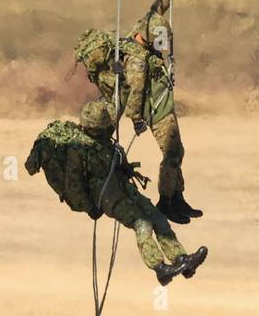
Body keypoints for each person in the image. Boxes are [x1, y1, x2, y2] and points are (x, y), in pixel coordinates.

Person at [24, 99, 207, 285]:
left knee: (158, 217)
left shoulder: (105, 141)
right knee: (142, 223)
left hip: (123, 187)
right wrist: (88, 208)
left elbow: (119, 103)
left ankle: (180, 259)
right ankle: (160, 268)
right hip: (105, 195)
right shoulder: (79, 149)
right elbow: (74, 184)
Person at [73, 0, 200, 226]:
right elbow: (136, 93)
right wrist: (137, 119)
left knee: (178, 152)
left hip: (164, 105)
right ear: (149, 38)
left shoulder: (140, 30)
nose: (159, 49)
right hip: (157, 111)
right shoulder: (137, 62)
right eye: (157, 44)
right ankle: (167, 201)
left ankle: (178, 197)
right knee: (171, 155)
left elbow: (154, 11)